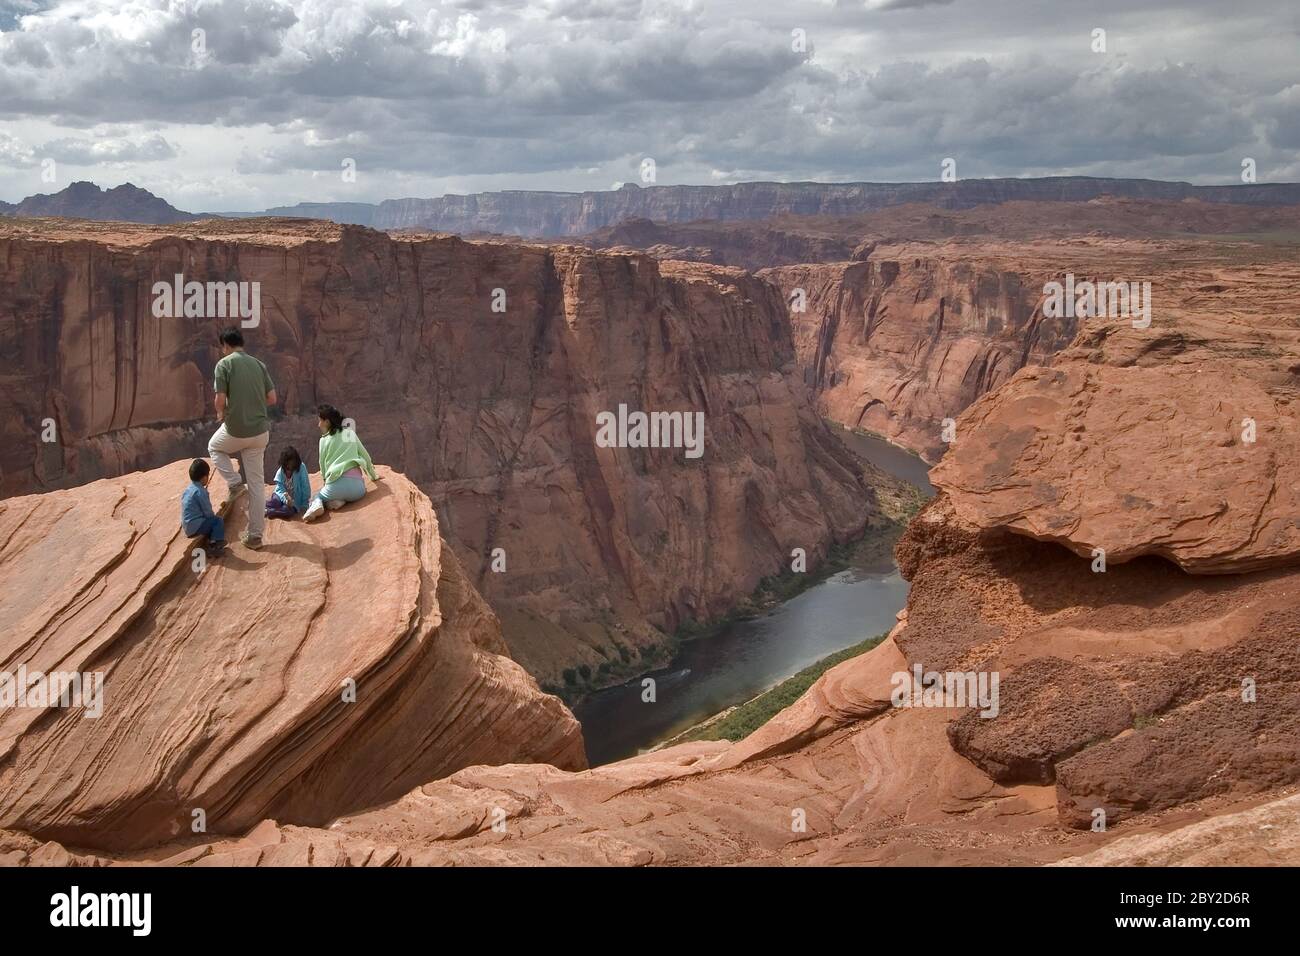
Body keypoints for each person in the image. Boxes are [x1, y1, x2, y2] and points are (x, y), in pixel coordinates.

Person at [207, 328, 276, 550]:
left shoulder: (224, 364)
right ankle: (255, 537)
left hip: (236, 431)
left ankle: (235, 484)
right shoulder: (259, 364)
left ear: (225, 345)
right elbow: (272, 398)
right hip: (259, 433)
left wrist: (221, 413)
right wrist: (252, 405)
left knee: (214, 447)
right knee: (257, 486)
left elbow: (220, 399)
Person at [302, 404, 379, 522]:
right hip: (358, 490)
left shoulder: (323, 440)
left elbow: (322, 465)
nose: (318, 425)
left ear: (327, 422)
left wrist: (326, 483)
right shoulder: (349, 433)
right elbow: (366, 457)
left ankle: (319, 505)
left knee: (317, 496)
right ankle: (338, 501)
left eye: (320, 421)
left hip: (335, 486)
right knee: (339, 494)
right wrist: (374, 477)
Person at [181, 459, 225, 557]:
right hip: (195, 527)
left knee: (210, 523)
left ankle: (211, 540)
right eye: (208, 475)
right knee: (218, 521)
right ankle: (214, 546)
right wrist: (213, 518)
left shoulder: (188, 489)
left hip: (187, 526)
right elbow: (208, 511)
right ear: (204, 477)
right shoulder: (200, 492)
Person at [266, 446, 311, 520]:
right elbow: (280, 488)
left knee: (287, 511)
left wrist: (304, 505)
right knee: (275, 503)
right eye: (289, 462)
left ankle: (270, 512)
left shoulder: (301, 468)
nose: (291, 464)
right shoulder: (281, 471)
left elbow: (305, 486)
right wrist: (286, 500)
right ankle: (261, 507)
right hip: (280, 496)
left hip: (295, 501)